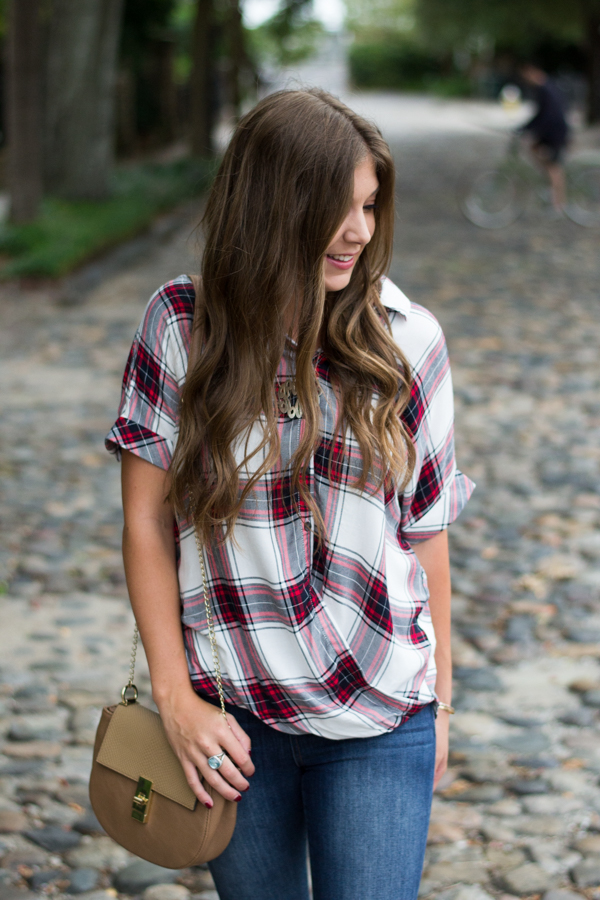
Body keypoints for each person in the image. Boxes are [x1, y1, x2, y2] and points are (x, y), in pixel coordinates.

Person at [106, 88, 474, 900]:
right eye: (335, 208)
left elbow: (426, 529)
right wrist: (174, 697)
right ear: (272, 205)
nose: (359, 232)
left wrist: (442, 700)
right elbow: (144, 523)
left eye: (371, 206)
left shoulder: (408, 337)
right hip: (232, 718)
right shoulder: (180, 325)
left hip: (379, 715)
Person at [518, 62, 570, 211]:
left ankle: (558, 204)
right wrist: (524, 128)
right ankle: (551, 191)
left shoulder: (546, 89)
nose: (525, 79)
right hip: (553, 130)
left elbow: (548, 115)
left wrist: (533, 130)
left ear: (532, 72)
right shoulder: (545, 88)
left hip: (556, 132)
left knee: (553, 167)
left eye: (525, 75)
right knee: (537, 153)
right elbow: (540, 115)